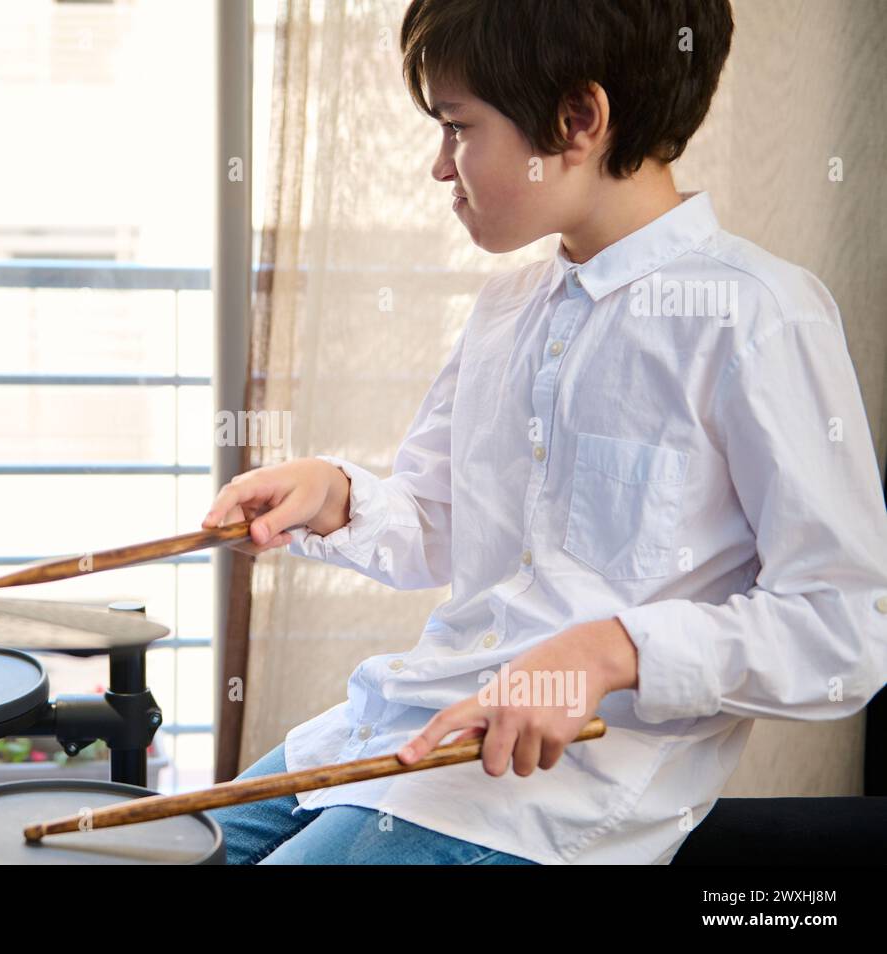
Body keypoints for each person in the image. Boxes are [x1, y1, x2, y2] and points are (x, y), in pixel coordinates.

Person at [202, 0, 887, 865]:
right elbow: (441, 526)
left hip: (545, 800)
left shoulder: (759, 318)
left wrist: (607, 651)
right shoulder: (505, 309)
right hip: (394, 726)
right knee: (153, 849)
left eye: (457, 128)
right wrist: (336, 496)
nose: (438, 168)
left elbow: (845, 628)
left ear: (578, 120)